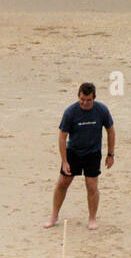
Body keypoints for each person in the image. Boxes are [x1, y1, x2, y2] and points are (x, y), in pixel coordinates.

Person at [43, 82, 115, 231]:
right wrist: (64, 161)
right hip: (73, 152)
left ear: (94, 98)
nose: (85, 103)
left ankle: (92, 218)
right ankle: (54, 216)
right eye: (82, 99)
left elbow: (111, 131)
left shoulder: (101, 110)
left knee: (92, 186)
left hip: (93, 153)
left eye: (88, 100)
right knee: (62, 183)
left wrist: (110, 154)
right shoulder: (70, 112)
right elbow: (62, 137)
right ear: (78, 96)